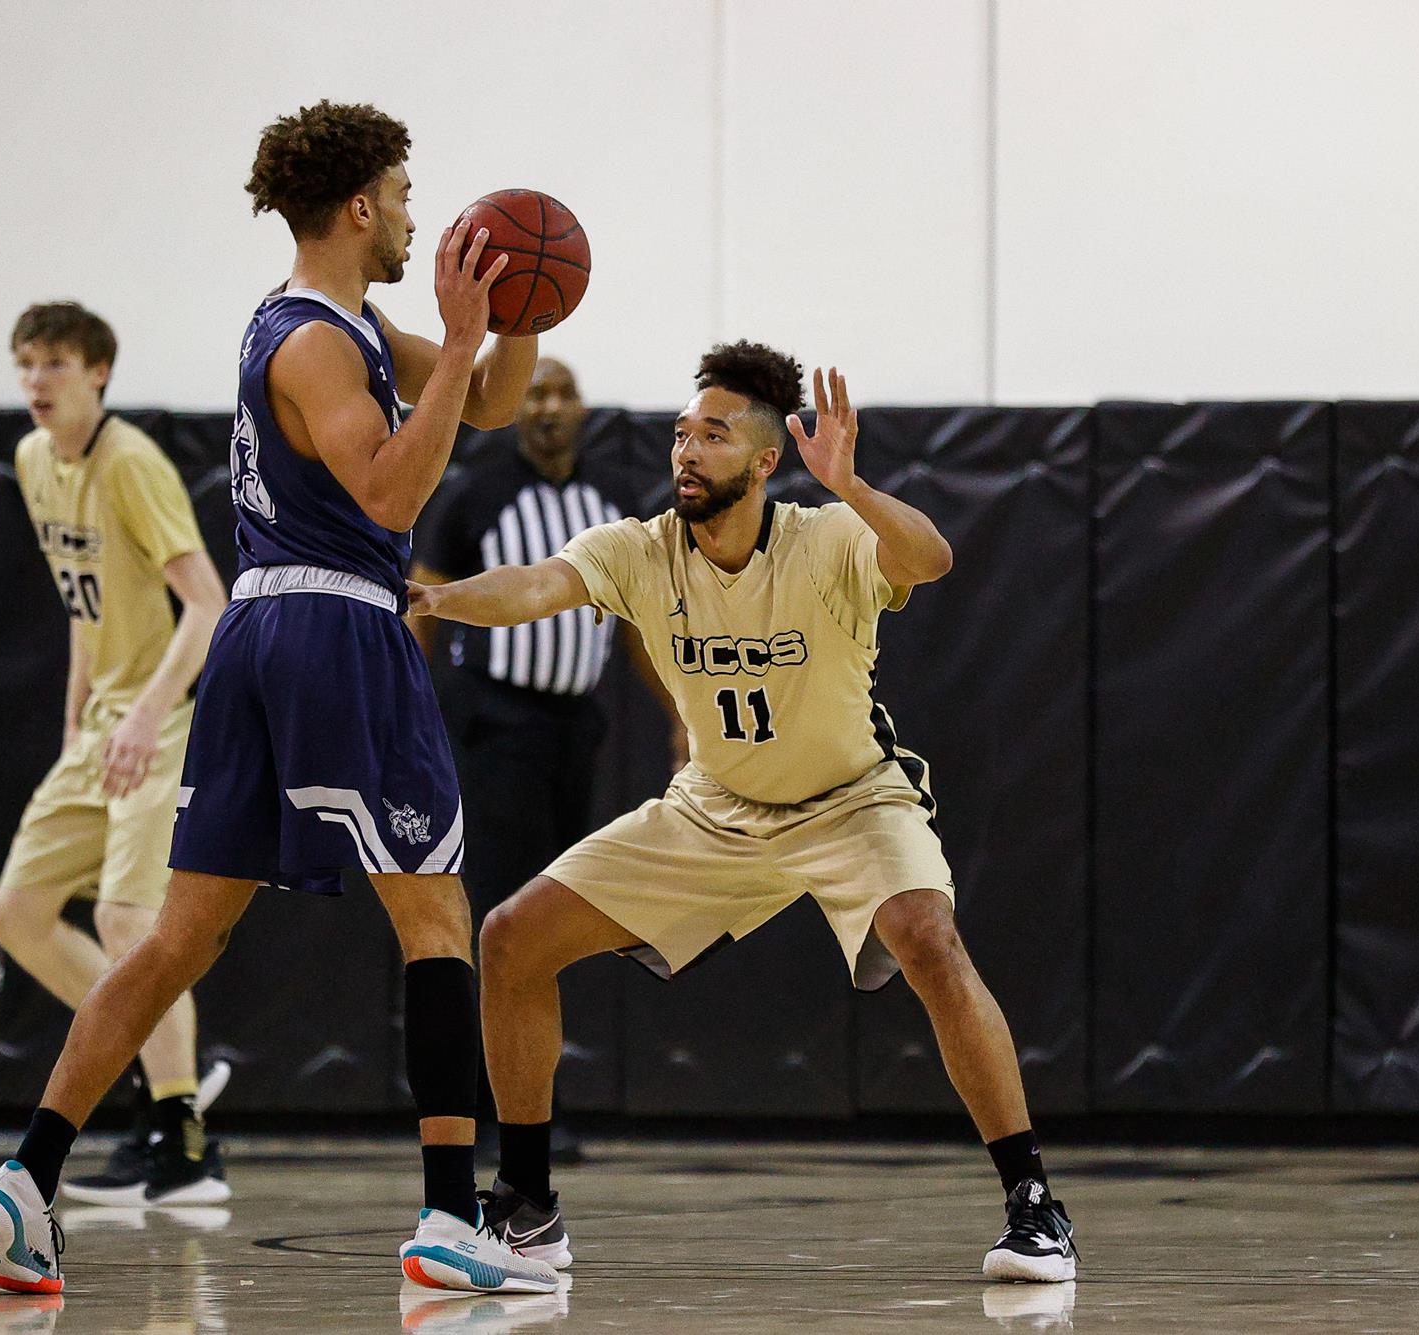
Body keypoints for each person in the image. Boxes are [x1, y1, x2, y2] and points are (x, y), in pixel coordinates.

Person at [0, 103, 560, 1297]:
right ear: (354, 207)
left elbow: (484, 402)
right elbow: (392, 494)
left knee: (183, 935)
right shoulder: (311, 343)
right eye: (398, 193)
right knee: (436, 921)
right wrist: (452, 330)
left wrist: (515, 322)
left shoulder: (351, 326)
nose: (407, 213)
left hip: (258, 636)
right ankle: (450, 1219)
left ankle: (25, 1181)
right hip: (335, 622)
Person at [409, 342, 1080, 1283]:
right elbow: (534, 585)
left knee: (928, 935)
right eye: (682, 433)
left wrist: (852, 485)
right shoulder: (640, 549)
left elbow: (931, 556)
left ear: (766, 460)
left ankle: (1034, 1204)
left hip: (851, 800)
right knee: (513, 935)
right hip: (715, 809)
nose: (688, 451)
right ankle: (528, 1204)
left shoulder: (826, 538)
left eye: (714, 436)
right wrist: (435, 598)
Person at [0, 301, 232, 1209]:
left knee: (132, 923)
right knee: (17, 912)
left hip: (161, 718)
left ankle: (183, 1141)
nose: (35, 382)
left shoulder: (132, 462)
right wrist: (77, 718)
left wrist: (141, 718)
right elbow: (81, 605)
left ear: (99, 374)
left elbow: (208, 604)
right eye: (24, 364)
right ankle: (156, 1064)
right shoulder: (30, 460)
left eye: (53, 364)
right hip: (102, 723)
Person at [409, 358, 672, 1162]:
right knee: (504, 914)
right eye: (535, 394)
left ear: (584, 410)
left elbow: (633, 624)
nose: (549, 408)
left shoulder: (613, 502)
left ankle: (534, 1108)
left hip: (574, 729)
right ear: (516, 411)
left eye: (562, 394)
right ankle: (493, 1113)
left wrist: (679, 716)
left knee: (554, 921)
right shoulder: (475, 493)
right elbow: (421, 602)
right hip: (496, 725)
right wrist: (410, 710)